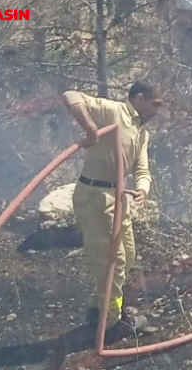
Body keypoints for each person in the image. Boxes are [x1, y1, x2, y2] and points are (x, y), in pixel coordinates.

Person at [62, 80, 162, 339]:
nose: (158, 110)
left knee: (127, 255)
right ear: (139, 98)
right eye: (155, 103)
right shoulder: (114, 111)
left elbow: (142, 169)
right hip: (96, 197)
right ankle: (110, 324)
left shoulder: (141, 131)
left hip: (119, 200)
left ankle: (101, 309)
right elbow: (71, 95)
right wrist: (91, 130)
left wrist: (142, 189)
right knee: (112, 262)